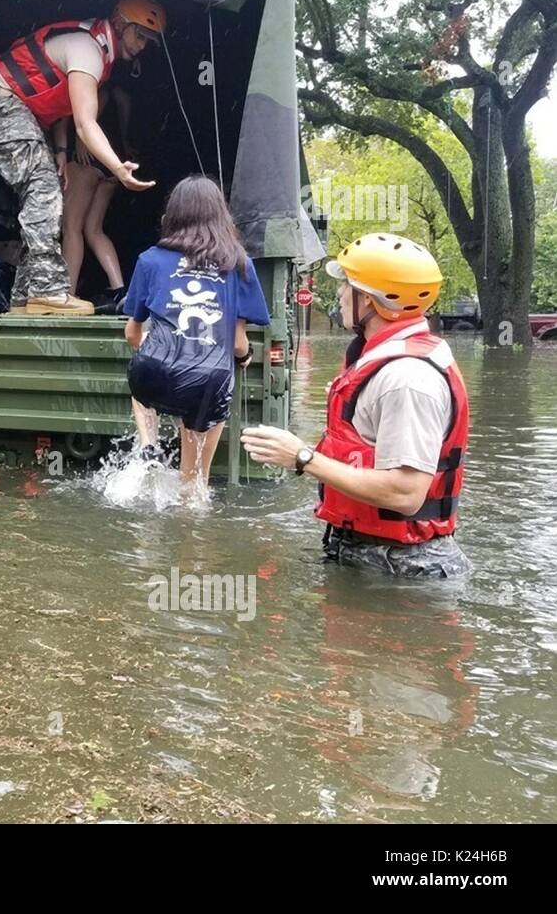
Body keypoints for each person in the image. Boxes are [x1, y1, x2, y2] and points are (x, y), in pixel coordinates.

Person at [241, 235, 469, 578]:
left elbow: (406, 493)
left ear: (370, 300)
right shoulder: (382, 357)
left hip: (403, 571)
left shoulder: (407, 379)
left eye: (347, 285)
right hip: (374, 555)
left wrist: (302, 457)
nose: (340, 295)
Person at [0, 0, 164, 315]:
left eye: (149, 40)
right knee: (44, 192)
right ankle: (47, 290)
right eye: (139, 34)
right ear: (119, 23)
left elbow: (59, 106)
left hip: (21, 112)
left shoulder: (96, 54)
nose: (142, 44)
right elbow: (85, 123)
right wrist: (118, 168)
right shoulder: (88, 50)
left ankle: (25, 297)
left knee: (44, 196)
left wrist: (60, 151)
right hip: (4, 104)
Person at [121, 176, 270, 492]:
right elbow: (238, 342)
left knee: (143, 376)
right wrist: (244, 357)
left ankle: (149, 446)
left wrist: (155, 345)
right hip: (208, 379)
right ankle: (193, 523)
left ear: (172, 216)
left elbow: (132, 333)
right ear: (221, 215)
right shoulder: (239, 263)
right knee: (193, 485)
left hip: (155, 368)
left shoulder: (149, 259)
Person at [62, 83, 137, 313]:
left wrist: (79, 142)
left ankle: (68, 293)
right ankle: (119, 289)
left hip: (88, 161)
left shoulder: (97, 89)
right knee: (93, 230)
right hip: (112, 165)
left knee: (71, 227)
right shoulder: (122, 94)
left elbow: (88, 118)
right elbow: (123, 127)